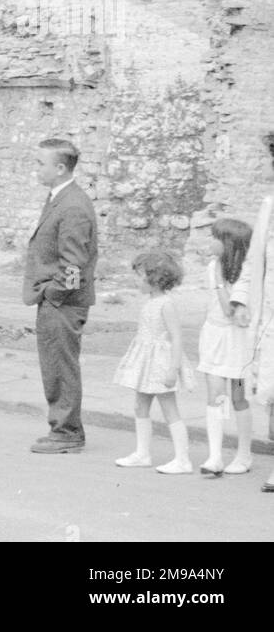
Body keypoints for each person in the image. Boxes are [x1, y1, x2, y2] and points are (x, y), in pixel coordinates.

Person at [23, 138, 99, 453]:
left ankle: (67, 433)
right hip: (56, 300)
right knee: (55, 366)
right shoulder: (62, 198)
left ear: (60, 167)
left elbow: (74, 265)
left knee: (61, 367)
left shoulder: (73, 206)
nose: (36, 168)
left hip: (62, 303)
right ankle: (62, 428)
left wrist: (52, 295)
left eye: (41, 163)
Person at [112, 250, 192, 473]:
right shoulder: (150, 301)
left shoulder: (166, 304)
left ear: (155, 278)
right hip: (146, 362)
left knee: (169, 408)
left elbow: (176, 337)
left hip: (161, 363)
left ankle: (183, 459)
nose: (136, 280)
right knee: (140, 405)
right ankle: (142, 453)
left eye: (140, 275)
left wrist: (173, 369)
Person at [230, 130, 274, 491]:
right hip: (271, 314)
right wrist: (242, 297)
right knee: (271, 392)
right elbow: (253, 260)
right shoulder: (269, 205)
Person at [197, 218, 254, 476]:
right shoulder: (213, 265)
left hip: (239, 343)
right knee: (216, 395)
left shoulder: (246, 272)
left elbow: (228, 309)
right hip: (214, 339)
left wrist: (219, 279)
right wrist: (215, 268)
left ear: (228, 243)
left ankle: (244, 455)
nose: (211, 242)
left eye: (215, 237)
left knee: (239, 396)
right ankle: (215, 456)